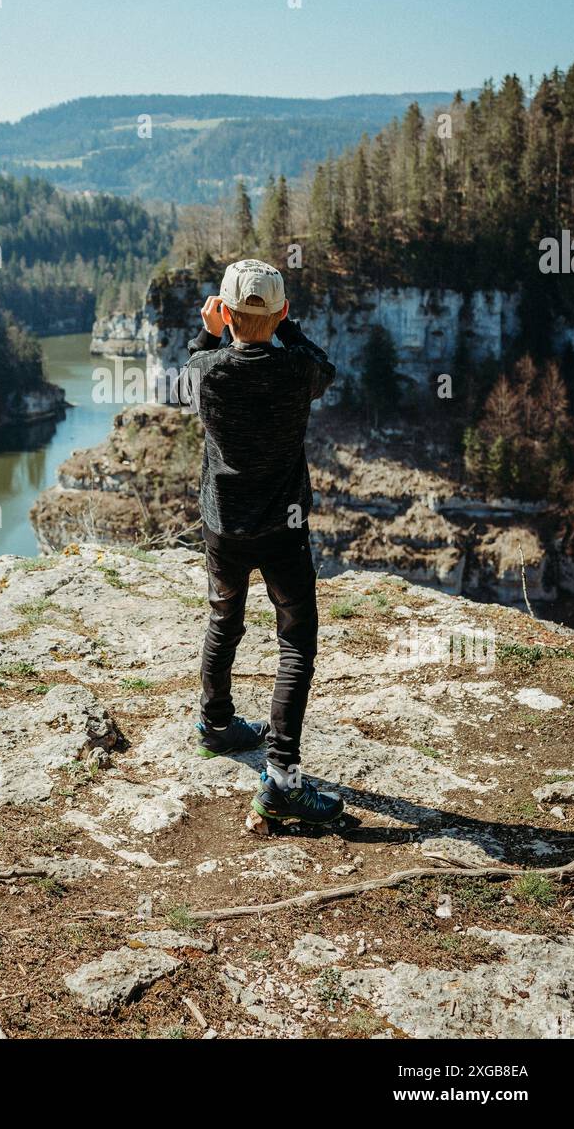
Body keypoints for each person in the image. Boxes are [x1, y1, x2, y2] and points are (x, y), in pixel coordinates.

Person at [174, 257, 343, 825]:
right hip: (283, 530)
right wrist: (284, 327)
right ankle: (282, 782)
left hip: (222, 525)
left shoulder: (210, 369)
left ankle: (217, 724)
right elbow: (325, 367)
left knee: (224, 620)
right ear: (284, 312)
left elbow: (187, 374)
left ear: (223, 312)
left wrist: (209, 329)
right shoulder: (298, 370)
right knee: (296, 642)